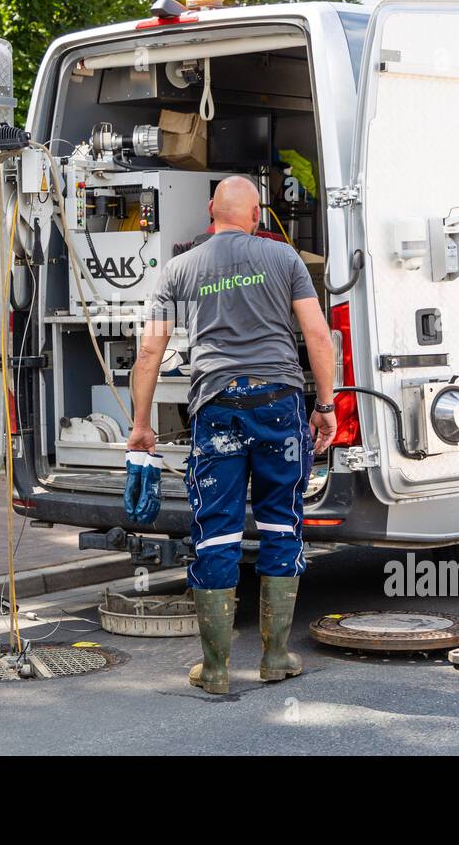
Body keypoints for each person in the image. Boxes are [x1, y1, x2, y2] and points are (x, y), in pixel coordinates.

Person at [128, 175, 337, 695]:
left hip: (216, 407)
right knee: (281, 523)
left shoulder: (179, 268)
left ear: (209, 213)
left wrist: (141, 424)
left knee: (216, 530)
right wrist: (327, 406)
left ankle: (217, 668)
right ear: (256, 215)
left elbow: (150, 351)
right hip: (278, 407)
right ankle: (275, 656)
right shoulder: (285, 260)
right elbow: (316, 334)